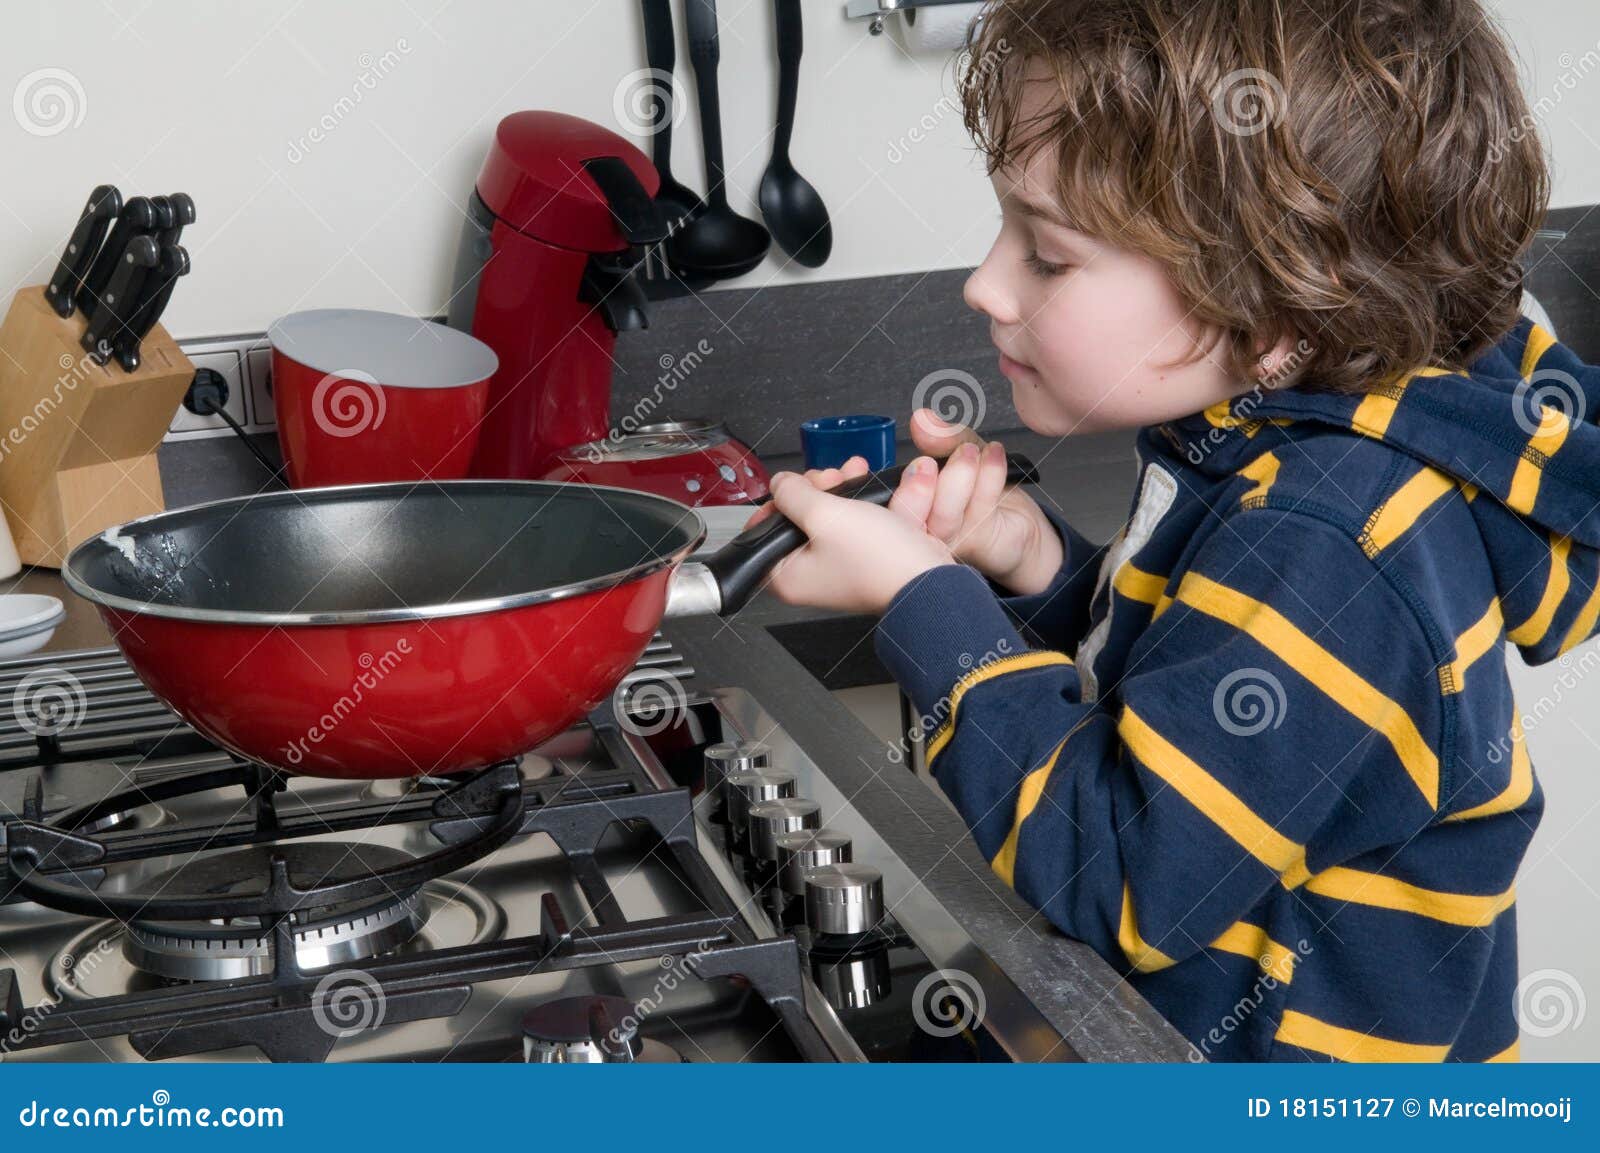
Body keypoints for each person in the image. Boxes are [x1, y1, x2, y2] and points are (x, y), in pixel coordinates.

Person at [747, 0, 1590, 1061]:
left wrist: (926, 602)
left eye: (1046, 256)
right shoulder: (1266, 439)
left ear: (1271, 314)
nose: (982, 284)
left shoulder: (1334, 539)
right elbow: (1186, 698)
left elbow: (1121, 870)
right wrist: (1031, 560)